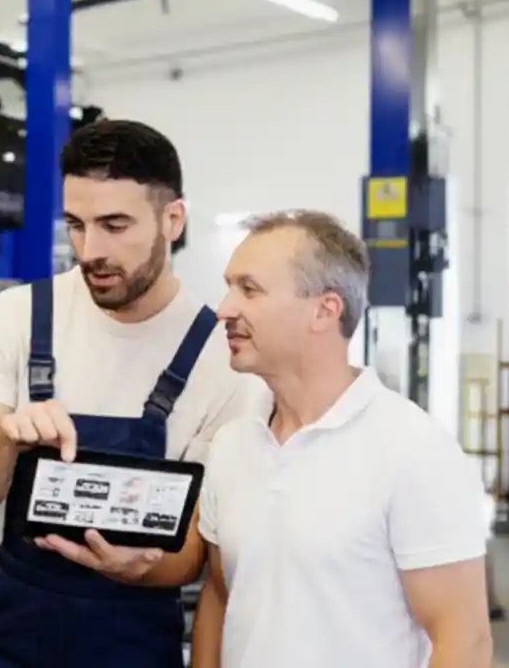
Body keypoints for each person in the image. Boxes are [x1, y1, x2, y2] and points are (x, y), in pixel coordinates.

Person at [0, 119, 250, 668]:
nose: (90, 250)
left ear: (173, 219)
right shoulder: (18, 317)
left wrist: (140, 568)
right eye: (77, 225)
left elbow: (197, 556)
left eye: (114, 224)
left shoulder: (220, 357)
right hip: (13, 638)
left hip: (133, 644)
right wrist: (5, 444)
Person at [191, 209, 493, 668]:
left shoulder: (412, 449)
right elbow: (220, 593)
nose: (225, 309)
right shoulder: (233, 443)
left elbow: (463, 641)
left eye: (249, 289)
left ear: (324, 310)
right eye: (230, 286)